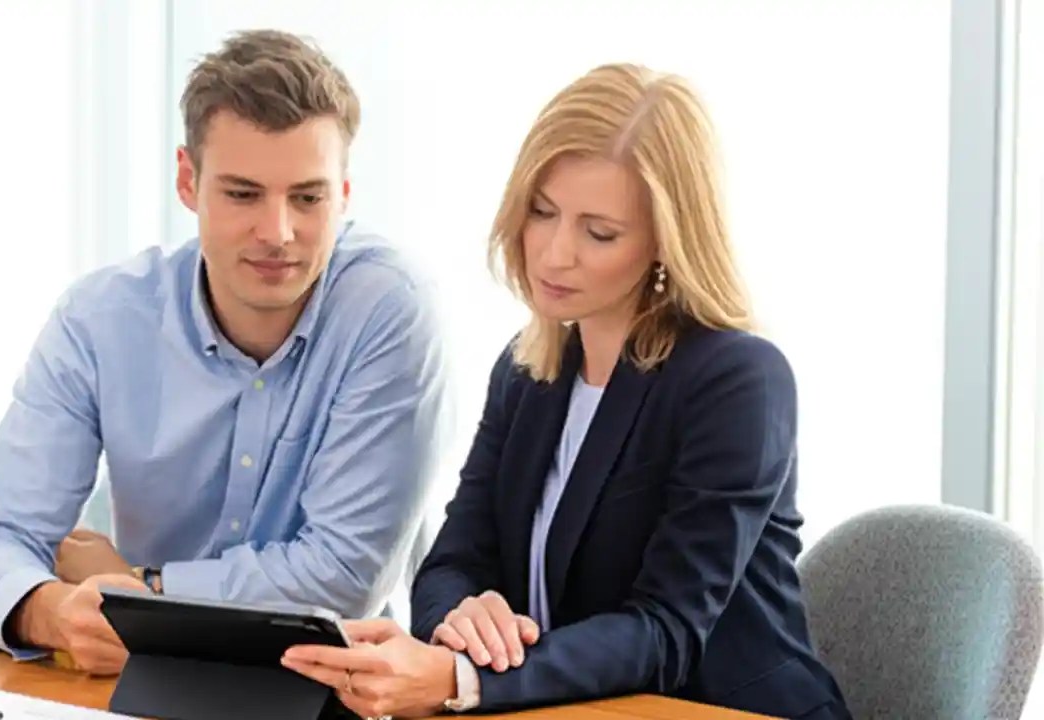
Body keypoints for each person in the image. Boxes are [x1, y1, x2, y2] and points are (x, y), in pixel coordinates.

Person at [281, 63, 853, 720]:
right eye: (542, 212)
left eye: (599, 232)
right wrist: (465, 620)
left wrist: (464, 679)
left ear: (667, 240)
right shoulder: (528, 370)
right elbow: (452, 560)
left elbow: (665, 631)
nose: (554, 255)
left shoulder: (739, 380)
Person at [0, 29, 447, 676]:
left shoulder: (390, 310)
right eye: (243, 194)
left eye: (308, 197)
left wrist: (140, 589)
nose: (279, 233)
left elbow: (341, 582)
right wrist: (52, 610)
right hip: (147, 683)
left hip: (338, 693)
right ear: (188, 180)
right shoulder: (99, 321)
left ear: (344, 194)